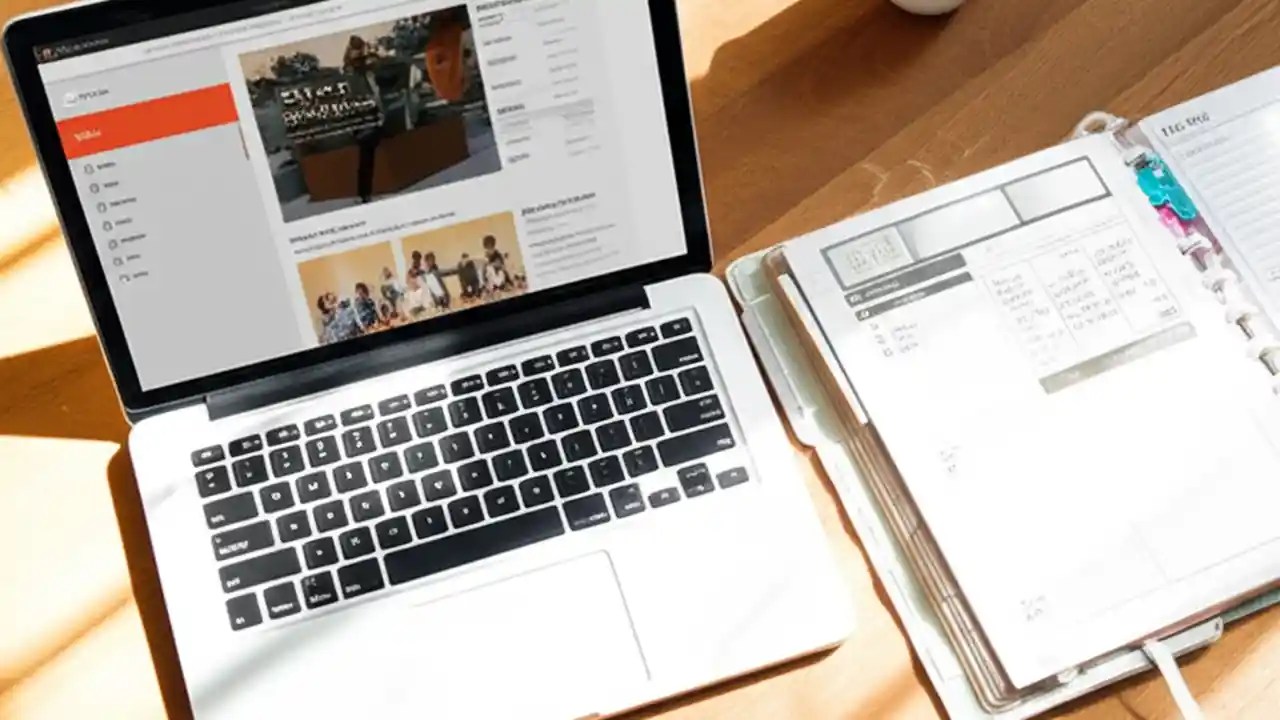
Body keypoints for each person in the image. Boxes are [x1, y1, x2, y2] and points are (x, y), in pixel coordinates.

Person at [343, 35, 384, 204]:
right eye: (357, 49)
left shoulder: (362, 68)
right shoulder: (351, 70)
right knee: (366, 156)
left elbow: (374, 66)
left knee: (368, 156)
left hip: (369, 114)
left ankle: (365, 193)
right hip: (362, 116)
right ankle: (364, 194)